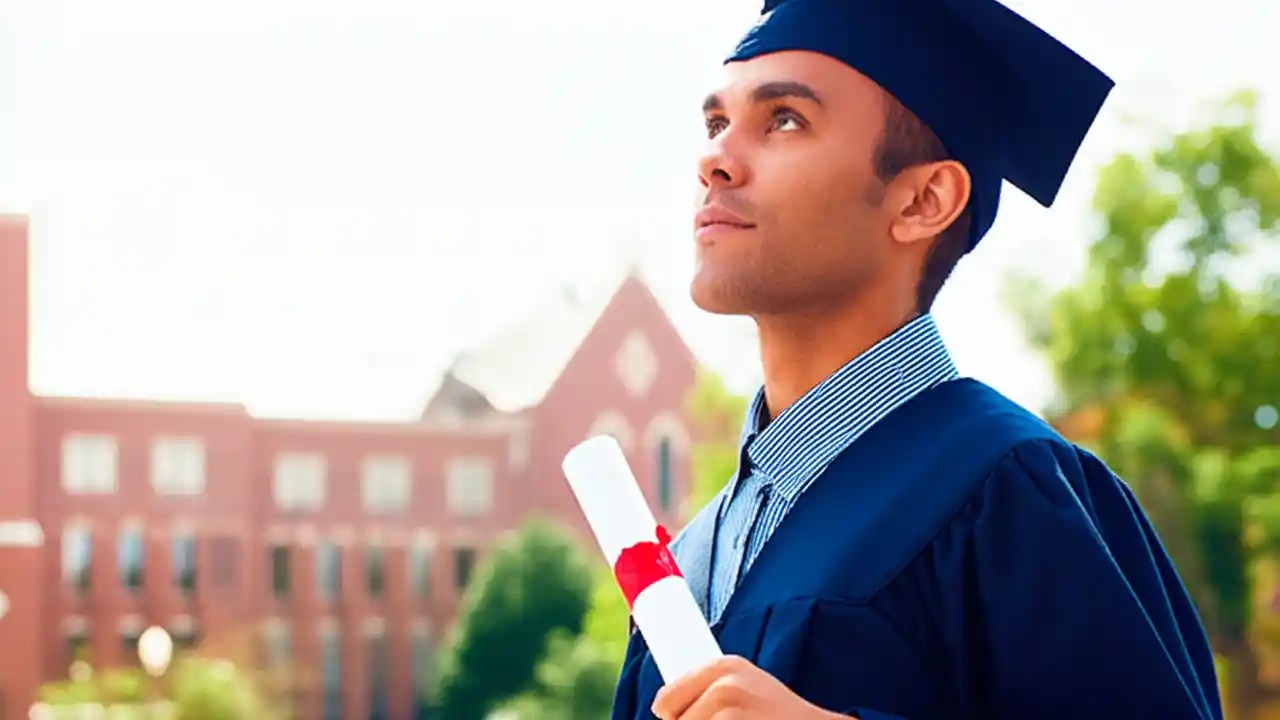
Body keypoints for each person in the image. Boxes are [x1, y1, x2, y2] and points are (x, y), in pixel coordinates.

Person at [609, 0, 1225, 718]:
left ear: (924, 199)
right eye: (716, 124)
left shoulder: (1010, 491)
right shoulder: (691, 563)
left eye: (784, 120)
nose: (714, 159)